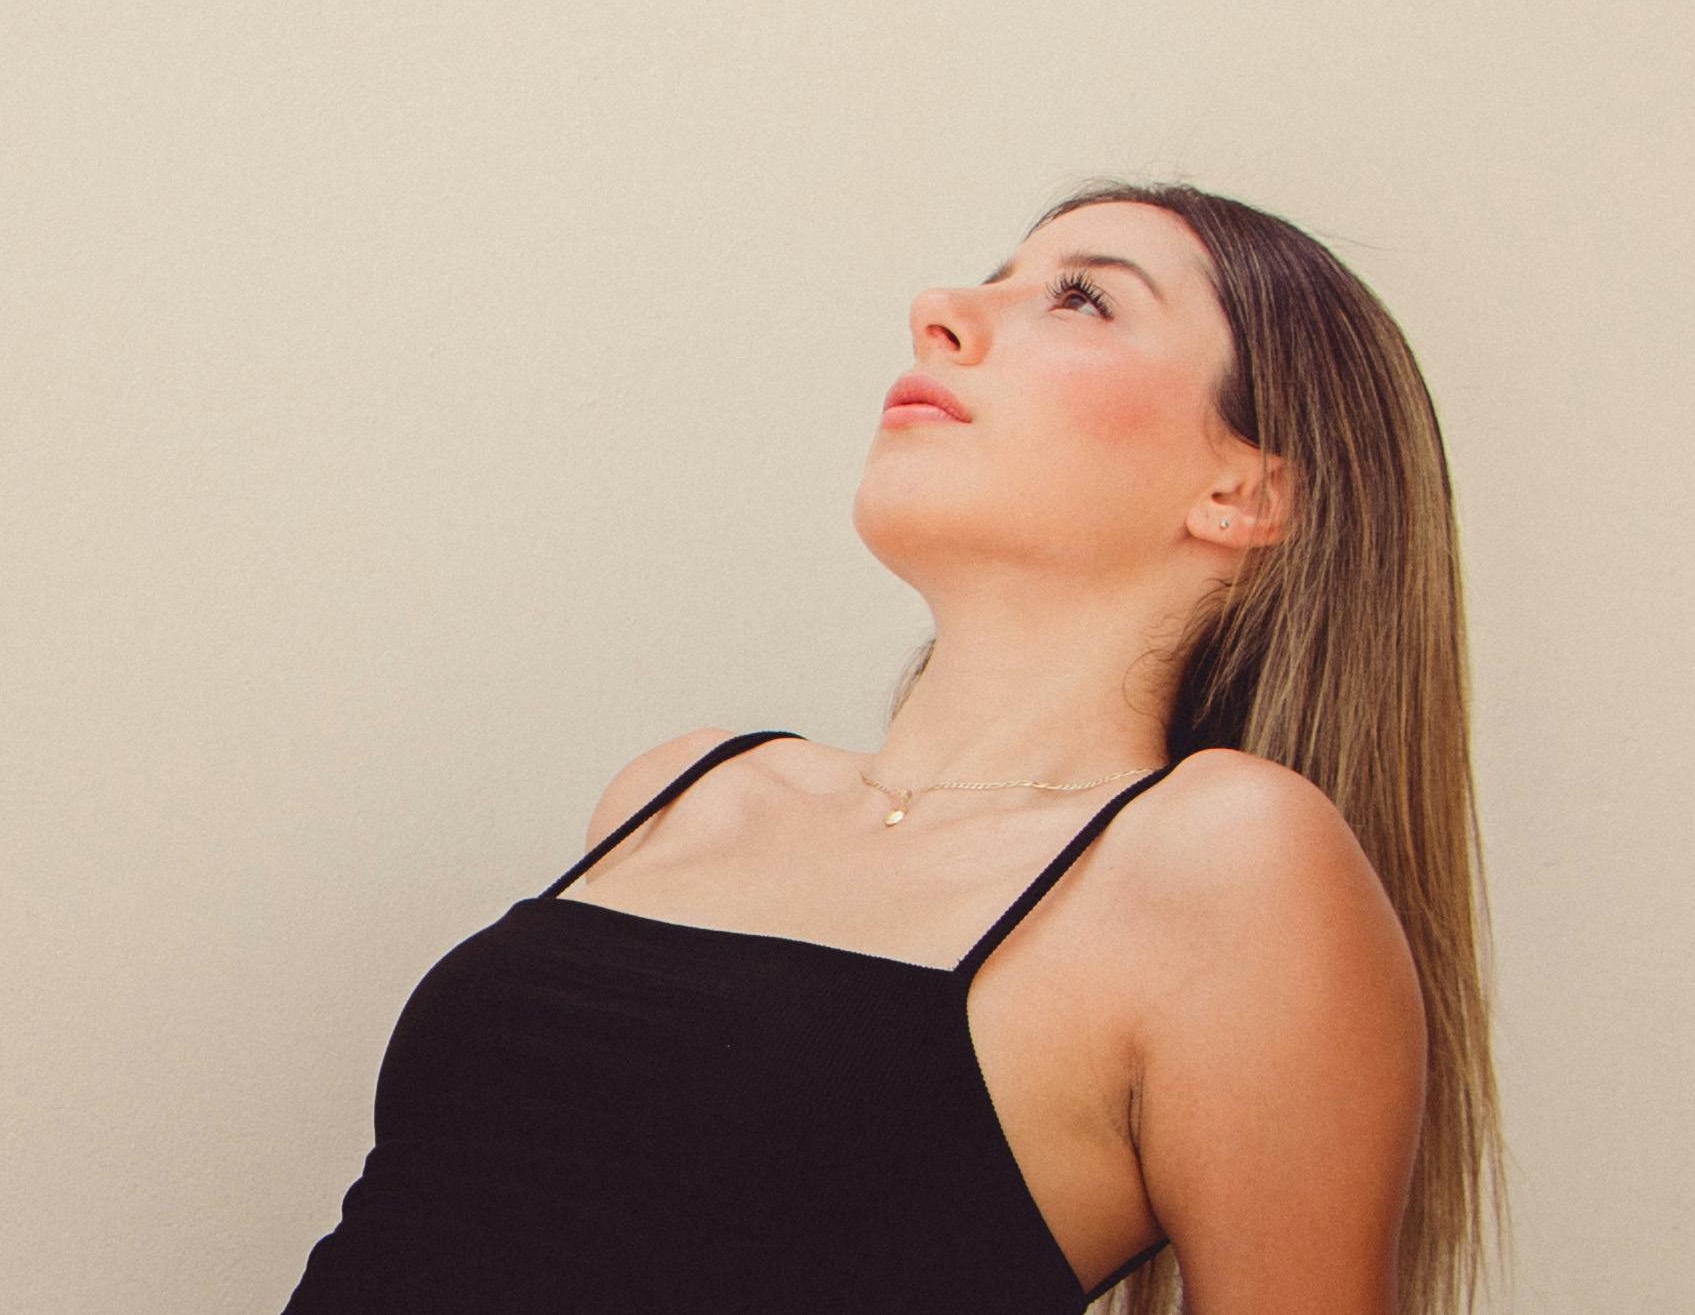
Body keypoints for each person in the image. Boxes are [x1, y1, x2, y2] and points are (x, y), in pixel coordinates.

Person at [277, 178, 1506, 1315]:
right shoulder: (685, 793)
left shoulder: (1225, 856)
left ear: (1243, 493)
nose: (940, 312)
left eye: (1082, 296)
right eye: (996, 274)